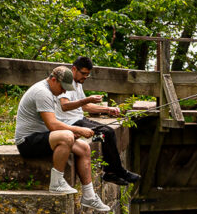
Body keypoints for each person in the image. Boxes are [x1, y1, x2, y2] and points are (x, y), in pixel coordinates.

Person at [14, 66, 111, 212]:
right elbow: (52, 125)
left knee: (84, 148)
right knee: (67, 136)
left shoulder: (51, 91)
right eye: (63, 87)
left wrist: (73, 132)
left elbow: (53, 123)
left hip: (42, 136)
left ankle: (89, 196)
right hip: (27, 142)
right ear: (53, 80)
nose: (64, 92)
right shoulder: (42, 92)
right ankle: (57, 183)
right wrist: (77, 130)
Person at [59, 56, 141, 186]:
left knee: (108, 132)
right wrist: (88, 99)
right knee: (106, 133)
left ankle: (111, 172)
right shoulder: (66, 81)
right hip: (70, 122)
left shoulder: (78, 83)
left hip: (79, 118)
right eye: (83, 73)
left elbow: (85, 106)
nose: (85, 77)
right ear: (74, 69)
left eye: (88, 74)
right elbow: (65, 106)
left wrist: (107, 109)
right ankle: (117, 172)